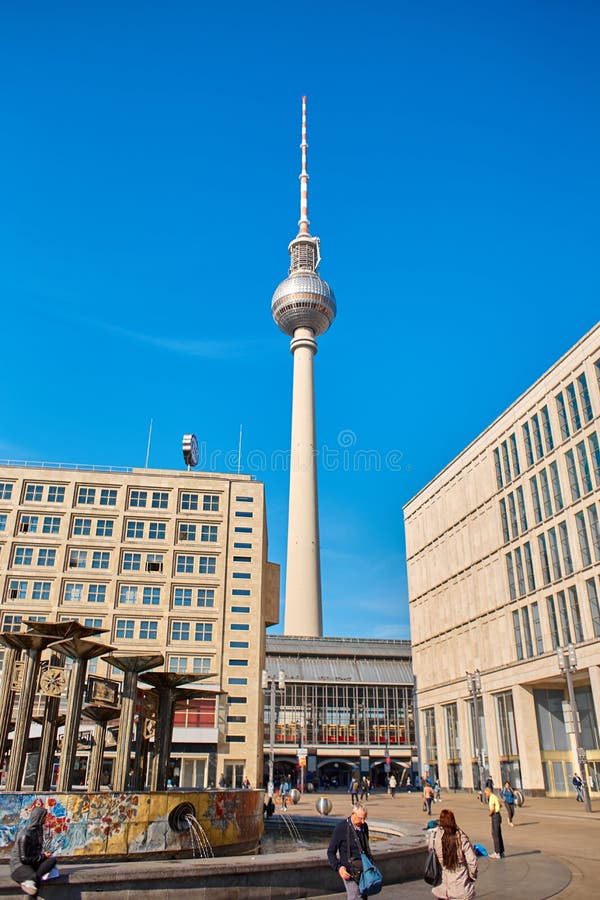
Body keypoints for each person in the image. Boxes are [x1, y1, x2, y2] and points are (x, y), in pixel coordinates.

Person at [327, 803, 374, 900]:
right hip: (350, 871)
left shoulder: (364, 826)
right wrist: (339, 868)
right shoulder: (341, 828)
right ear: (353, 814)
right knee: (356, 897)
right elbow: (331, 852)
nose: (363, 821)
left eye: (365, 818)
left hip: (364, 870)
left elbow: (366, 848)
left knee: (363, 896)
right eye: (361, 818)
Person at [429, 808, 478, 900]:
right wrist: (472, 876)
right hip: (461, 886)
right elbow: (472, 860)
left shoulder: (435, 836)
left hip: (443, 887)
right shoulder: (461, 837)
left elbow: (431, 851)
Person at [10, 806, 58, 897]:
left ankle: (31, 880)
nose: (46, 818)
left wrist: (44, 856)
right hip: (19, 866)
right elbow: (24, 859)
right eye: (45, 817)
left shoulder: (38, 832)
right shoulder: (25, 835)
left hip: (32, 864)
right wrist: (43, 856)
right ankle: (32, 879)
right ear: (39, 817)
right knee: (36, 882)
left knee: (52, 861)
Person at [484, 786, 504, 859]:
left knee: (495, 834)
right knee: (498, 833)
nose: (485, 794)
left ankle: (497, 852)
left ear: (489, 791)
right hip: (498, 815)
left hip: (495, 816)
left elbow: (492, 809)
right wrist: (497, 808)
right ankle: (501, 851)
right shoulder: (495, 797)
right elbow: (500, 805)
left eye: (486, 793)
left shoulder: (492, 798)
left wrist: (490, 814)